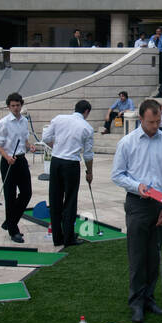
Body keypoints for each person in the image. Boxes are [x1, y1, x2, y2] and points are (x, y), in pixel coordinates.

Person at [111, 99, 162, 323]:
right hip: (137, 203)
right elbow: (117, 175)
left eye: (158, 121)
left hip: (160, 205)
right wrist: (136, 186)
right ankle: (136, 302)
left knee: (154, 254)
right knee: (138, 255)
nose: (155, 125)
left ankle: (149, 297)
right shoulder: (127, 143)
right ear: (141, 119)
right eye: (151, 122)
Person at [41, 100, 95, 248]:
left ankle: (57, 237)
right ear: (86, 112)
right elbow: (88, 155)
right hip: (71, 164)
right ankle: (69, 237)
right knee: (70, 201)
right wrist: (89, 173)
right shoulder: (87, 128)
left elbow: (45, 138)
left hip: (56, 161)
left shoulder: (59, 118)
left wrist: (57, 146)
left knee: (55, 198)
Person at [0, 92, 34, 244]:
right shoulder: (4, 123)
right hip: (8, 161)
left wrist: (29, 145)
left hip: (21, 160)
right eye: (13, 106)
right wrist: (7, 157)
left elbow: (23, 140)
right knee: (10, 196)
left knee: (26, 193)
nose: (16, 108)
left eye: (18, 105)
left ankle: (9, 221)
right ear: (8, 107)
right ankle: (13, 230)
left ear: (21, 105)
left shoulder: (24, 121)